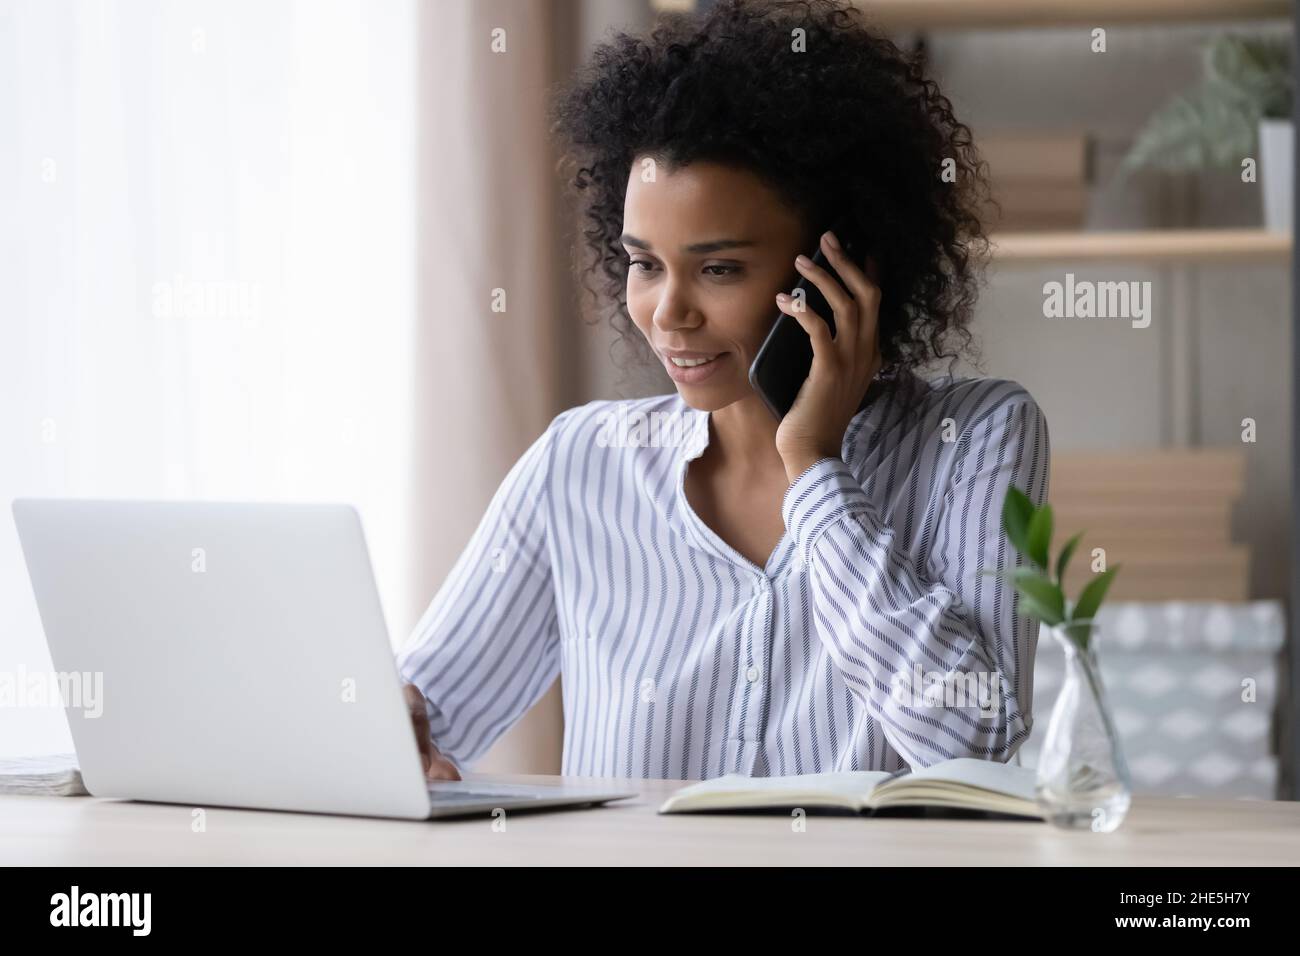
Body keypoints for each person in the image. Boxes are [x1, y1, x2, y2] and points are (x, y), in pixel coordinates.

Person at [399, 0, 1050, 783]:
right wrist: (390, 733)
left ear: (840, 271)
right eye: (645, 263)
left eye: (718, 269)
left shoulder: (977, 436)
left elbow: (971, 739)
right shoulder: (581, 465)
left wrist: (814, 467)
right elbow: (418, 717)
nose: (667, 312)